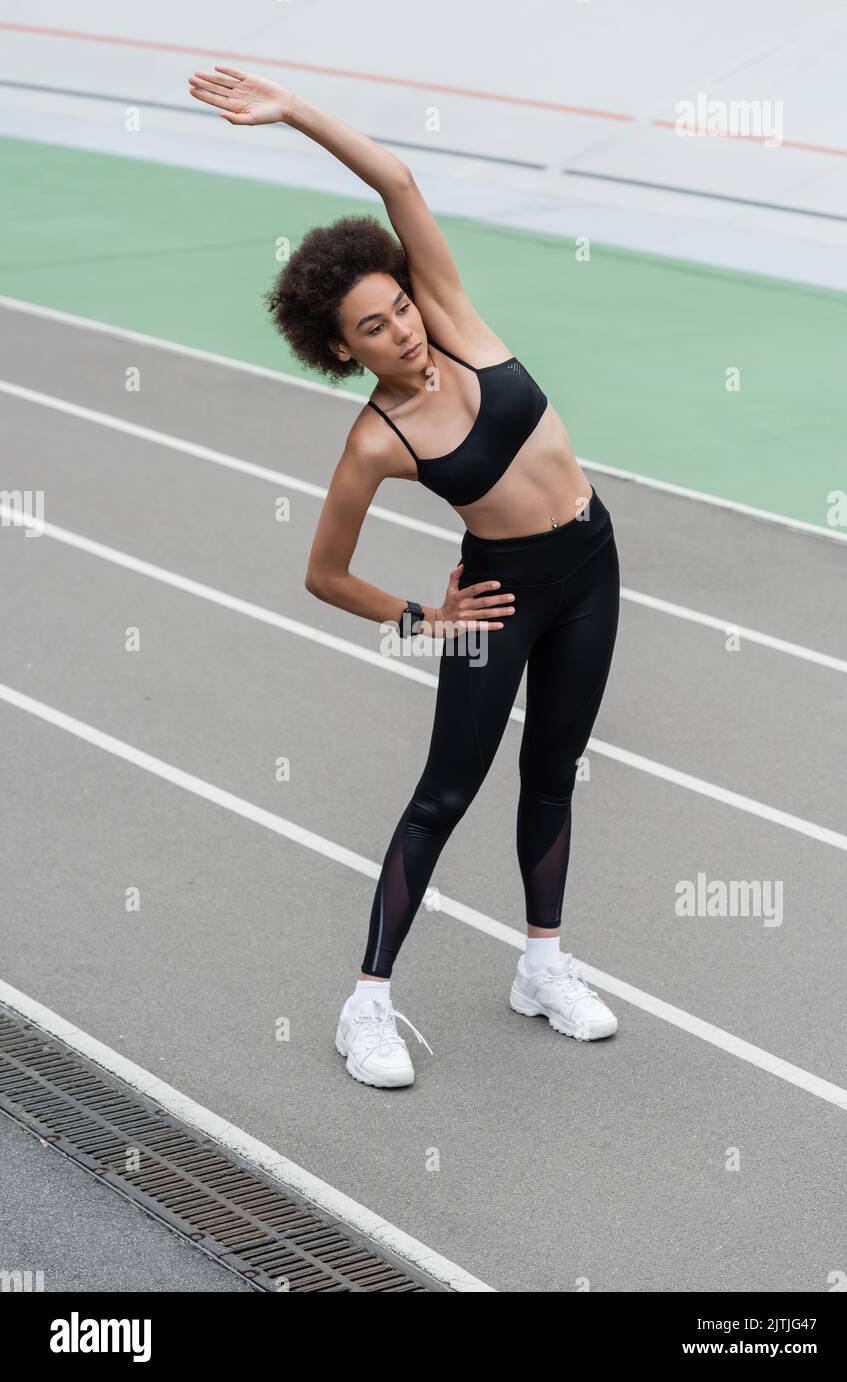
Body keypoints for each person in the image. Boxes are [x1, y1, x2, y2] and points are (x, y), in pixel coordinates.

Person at [189, 65, 622, 1089]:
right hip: (499, 595)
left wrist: (293, 112)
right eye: (373, 327)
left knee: (554, 772)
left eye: (398, 308)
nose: (402, 329)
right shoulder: (375, 440)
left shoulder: (456, 315)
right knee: (444, 794)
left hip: (593, 561)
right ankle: (366, 1004)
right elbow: (323, 573)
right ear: (341, 349)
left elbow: (399, 184)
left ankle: (543, 968)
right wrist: (425, 618)